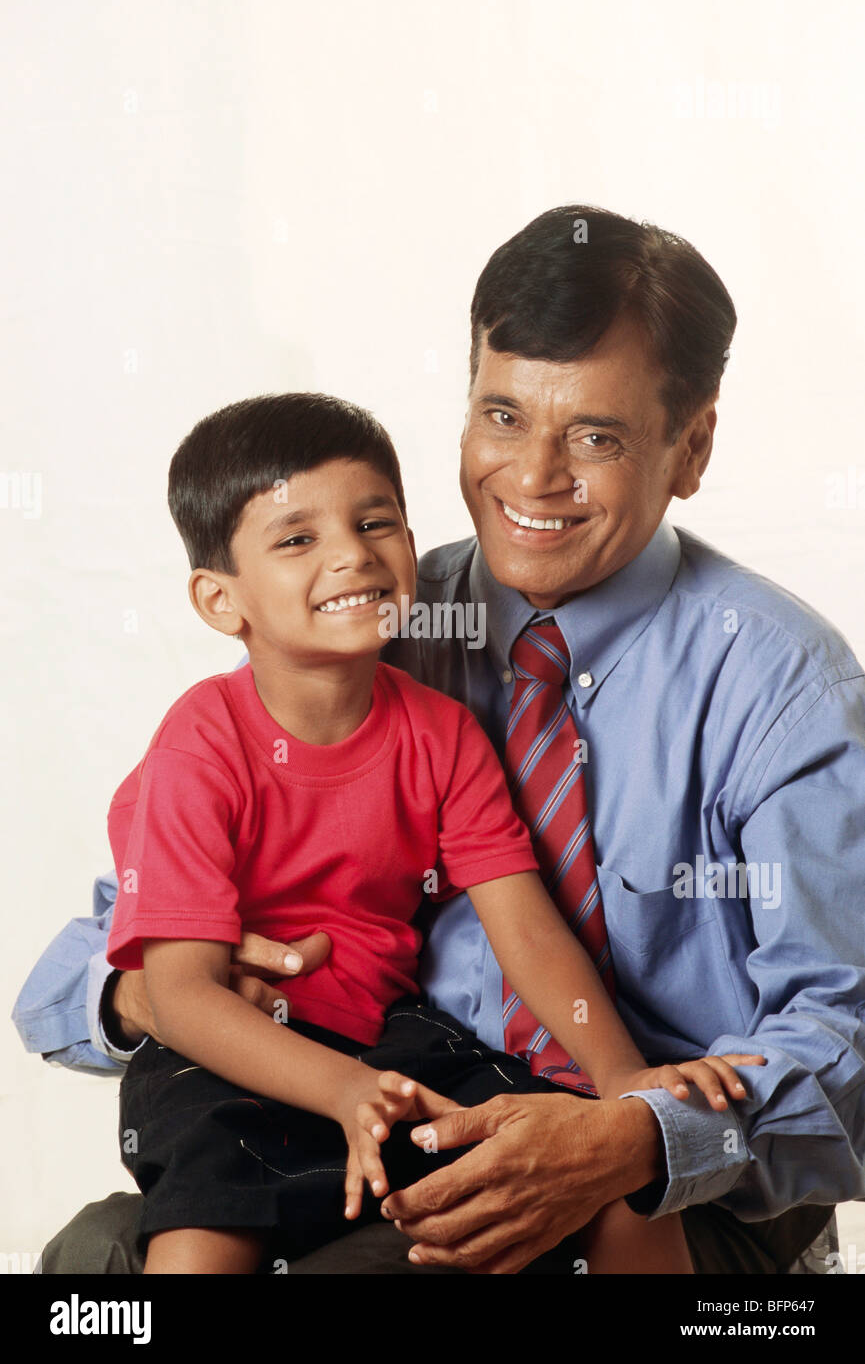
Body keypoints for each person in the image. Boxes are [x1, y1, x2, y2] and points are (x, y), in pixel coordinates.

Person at [15, 205, 864, 1275]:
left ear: (690, 447)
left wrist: (636, 1134)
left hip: (679, 1184)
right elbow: (75, 972)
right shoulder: (365, 635)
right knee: (93, 1262)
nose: (534, 477)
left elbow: (847, 1047)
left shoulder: (781, 681)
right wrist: (153, 988)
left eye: (594, 436)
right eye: (502, 418)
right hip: (400, 1112)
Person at [105, 391, 759, 1275]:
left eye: (376, 522)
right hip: (232, 1056)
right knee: (209, 1217)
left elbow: (523, 924)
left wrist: (617, 1081)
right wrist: (340, 1091)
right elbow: (182, 996)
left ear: (412, 545)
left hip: (391, 1038)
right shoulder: (200, 741)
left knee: (589, 1165)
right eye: (298, 539)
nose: (351, 555)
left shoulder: (440, 731)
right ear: (221, 600)